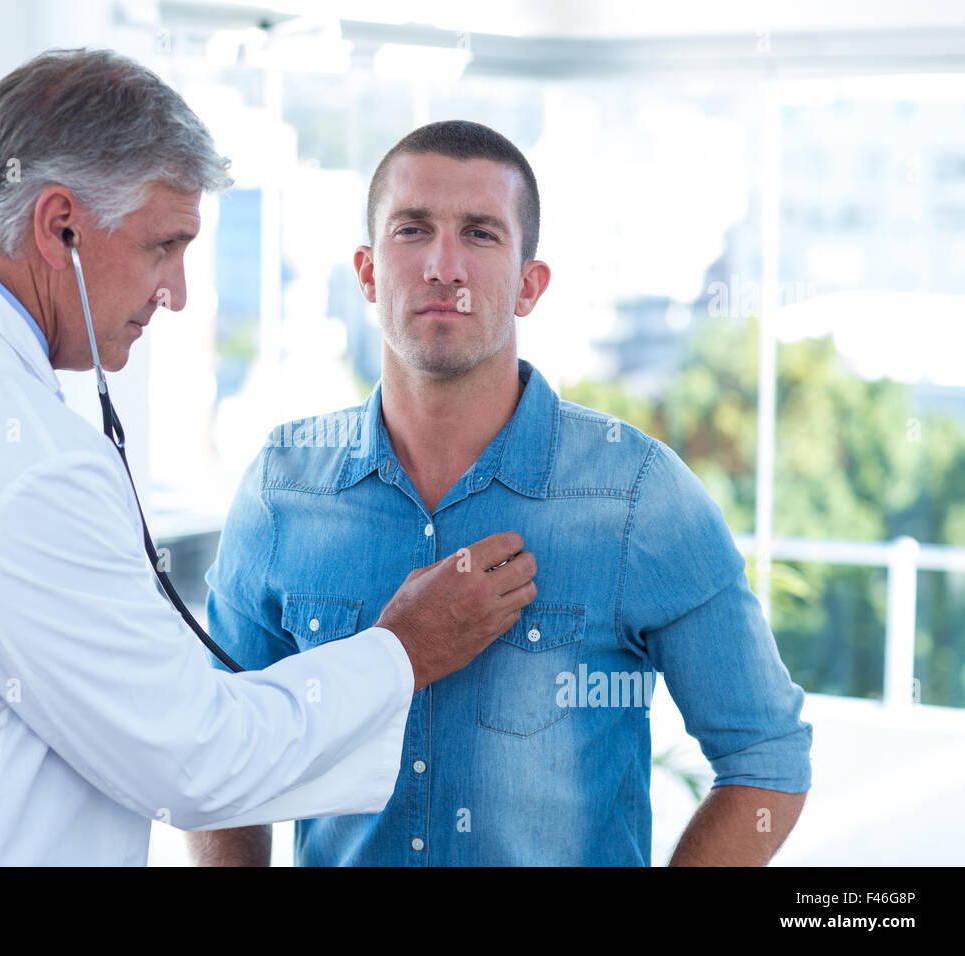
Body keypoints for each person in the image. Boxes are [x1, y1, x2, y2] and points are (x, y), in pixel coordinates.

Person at [0, 53, 538, 866]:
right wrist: (403, 650)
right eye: (163, 245)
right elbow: (195, 758)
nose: (176, 291)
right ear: (60, 225)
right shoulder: (14, 454)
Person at [189, 120, 812, 867]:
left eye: (480, 235)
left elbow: (766, 761)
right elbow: (222, 750)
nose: (442, 266)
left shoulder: (638, 497)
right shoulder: (282, 488)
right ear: (366, 271)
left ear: (529, 285)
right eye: (412, 230)